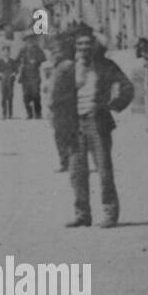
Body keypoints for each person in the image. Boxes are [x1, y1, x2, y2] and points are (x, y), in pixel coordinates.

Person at [65, 30, 135, 229]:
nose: (84, 48)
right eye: (80, 44)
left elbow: (127, 87)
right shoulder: (68, 68)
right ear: (75, 47)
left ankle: (110, 213)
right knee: (77, 172)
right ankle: (82, 215)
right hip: (74, 125)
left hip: (97, 123)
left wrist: (113, 105)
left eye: (88, 44)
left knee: (104, 170)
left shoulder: (105, 65)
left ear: (94, 45)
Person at [47, 35, 76, 173]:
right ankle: (65, 161)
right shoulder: (58, 66)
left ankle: (69, 162)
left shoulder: (68, 65)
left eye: (57, 50)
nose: (54, 53)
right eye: (53, 50)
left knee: (66, 134)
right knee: (59, 135)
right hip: (57, 107)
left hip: (65, 107)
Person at [17, 36, 46, 119]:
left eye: (31, 40)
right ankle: (29, 113)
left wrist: (36, 60)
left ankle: (38, 113)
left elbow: (43, 59)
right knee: (26, 95)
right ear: (25, 41)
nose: (29, 42)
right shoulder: (23, 50)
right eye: (27, 40)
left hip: (35, 75)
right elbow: (16, 61)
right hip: (25, 76)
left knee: (36, 94)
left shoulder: (38, 50)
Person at [0, 45, 17, 120]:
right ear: (2, 52)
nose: (6, 53)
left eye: (7, 51)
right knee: (3, 97)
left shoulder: (12, 61)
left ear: (9, 52)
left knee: (10, 97)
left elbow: (16, 70)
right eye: (4, 51)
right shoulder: (0, 62)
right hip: (3, 81)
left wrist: (14, 74)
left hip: (10, 81)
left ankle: (10, 114)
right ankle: (4, 113)